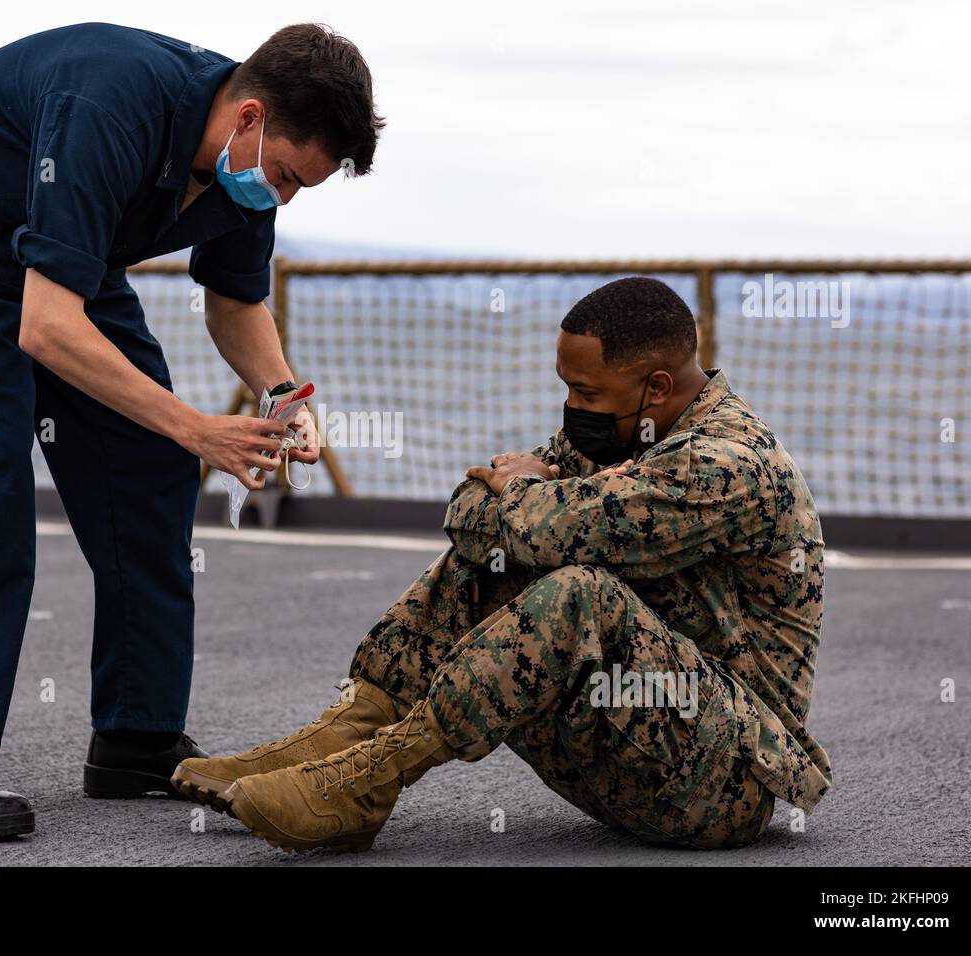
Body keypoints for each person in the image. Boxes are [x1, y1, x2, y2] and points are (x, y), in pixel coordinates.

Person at [0, 22, 383, 840]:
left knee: (148, 460)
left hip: (66, 255)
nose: (282, 199)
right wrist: (199, 428)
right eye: (287, 177)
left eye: (302, 191)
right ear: (250, 116)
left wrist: (282, 392)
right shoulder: (108, 102)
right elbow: (47, 328)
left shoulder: (245, 168)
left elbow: (236, 301)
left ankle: (135, 736)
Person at [174, 277, 833, 853]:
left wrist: (524, 498)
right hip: (631, 747)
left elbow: (538, 523)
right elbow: (469, 509)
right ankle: (345, 739)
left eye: (585, 391)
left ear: (656, 386)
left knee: (577, 591)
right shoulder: (626, 428)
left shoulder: (727, 464)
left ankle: (368, 778)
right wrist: (523, 504)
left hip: (717, 782)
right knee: (492, 562)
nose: (572, 408)